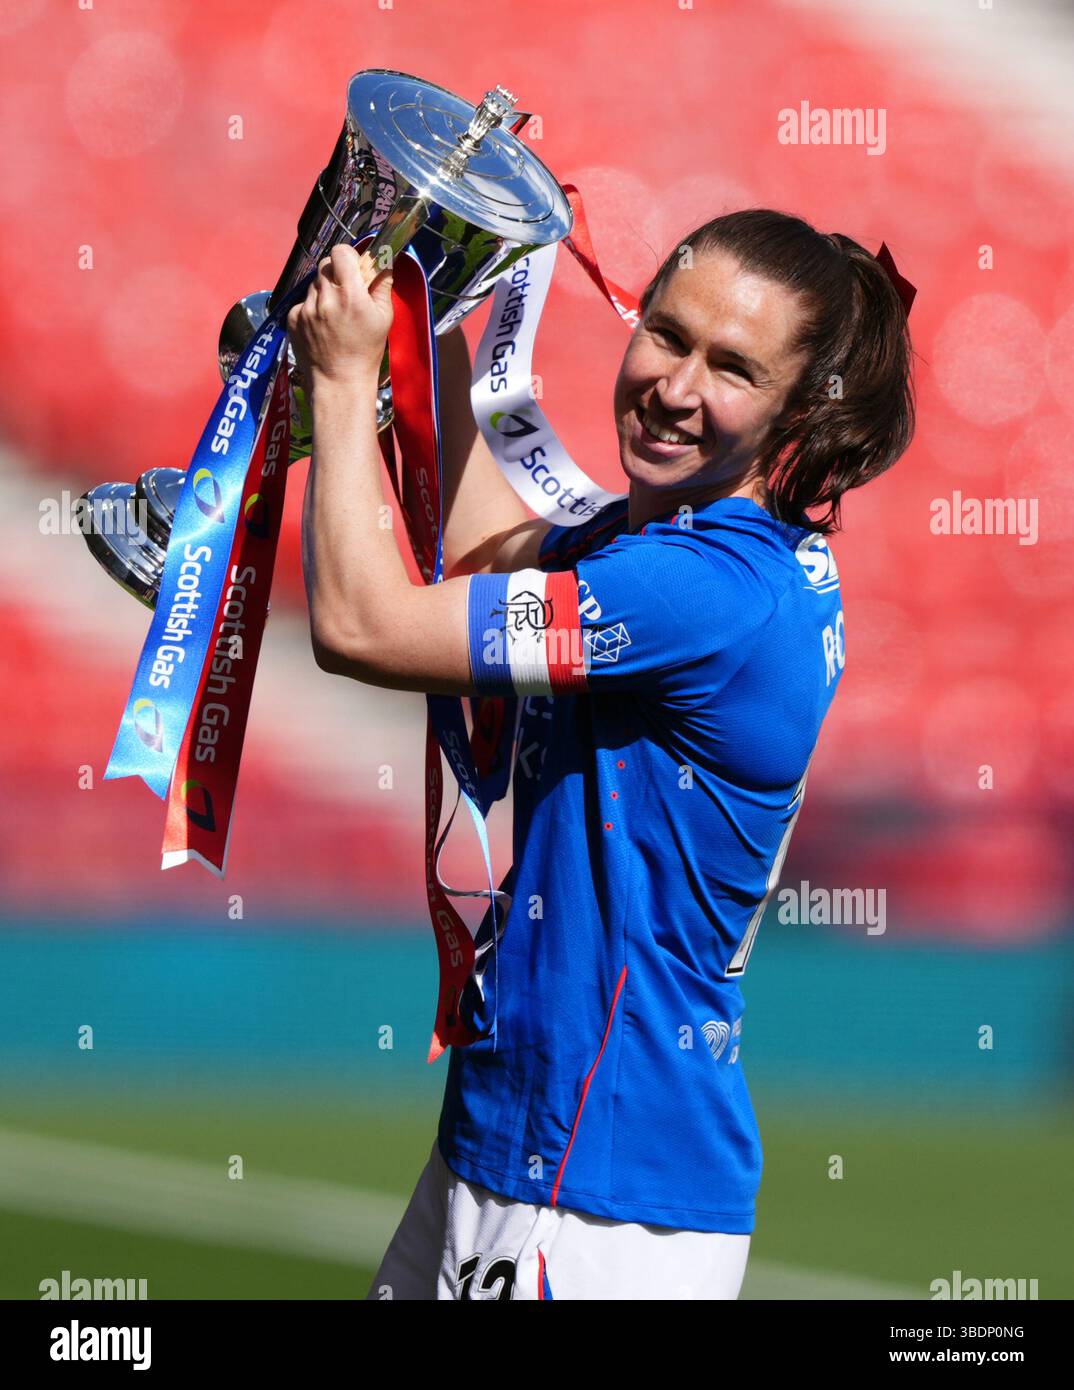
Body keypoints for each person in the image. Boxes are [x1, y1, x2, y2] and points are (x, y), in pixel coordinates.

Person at [286, 207, 916, 1300]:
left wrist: (341, 389)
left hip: (594, 1187)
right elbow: (488, 551)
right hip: (525, 1140)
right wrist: (420, 314)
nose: (676, 386)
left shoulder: (697, 590)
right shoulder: (681, 544)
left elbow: (361, 626)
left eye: (733, 368)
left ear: (799, 407)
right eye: (667, 335)